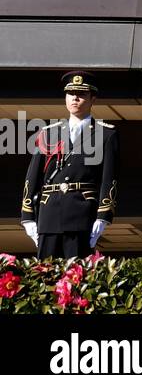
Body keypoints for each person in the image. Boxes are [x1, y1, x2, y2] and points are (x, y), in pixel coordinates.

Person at [18, 72, 119, 259]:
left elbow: (109, 178)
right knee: (46, 276)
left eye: (81, 94)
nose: (75, 98)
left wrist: (103, 216)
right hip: (48, 216)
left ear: (92, 98)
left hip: (81, 215)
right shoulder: (48, 133)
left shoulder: (105, 135)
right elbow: (32, 177)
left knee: (76, 279)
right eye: (71, 93)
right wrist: (27, 217)